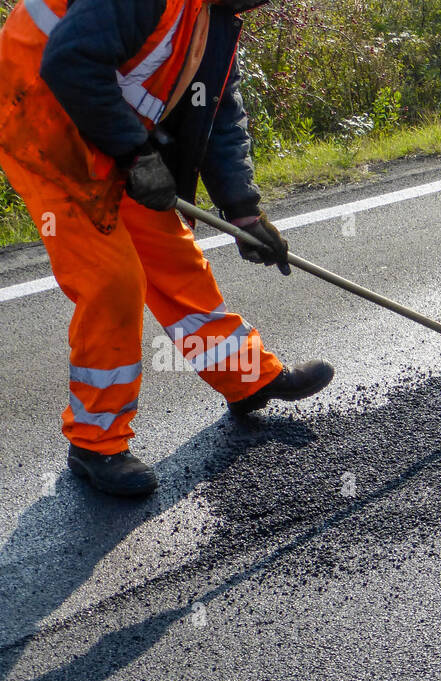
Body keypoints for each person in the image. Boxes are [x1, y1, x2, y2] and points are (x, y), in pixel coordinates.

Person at [0, 0, 333, 498]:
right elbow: (70, 62)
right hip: (43, 123)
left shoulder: (215, 17)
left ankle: (246, 378)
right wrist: (135, 153)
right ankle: (95, 443)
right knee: (112, 281)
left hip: (107, 128)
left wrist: (243, 212)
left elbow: (215, 110)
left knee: (173, 255)